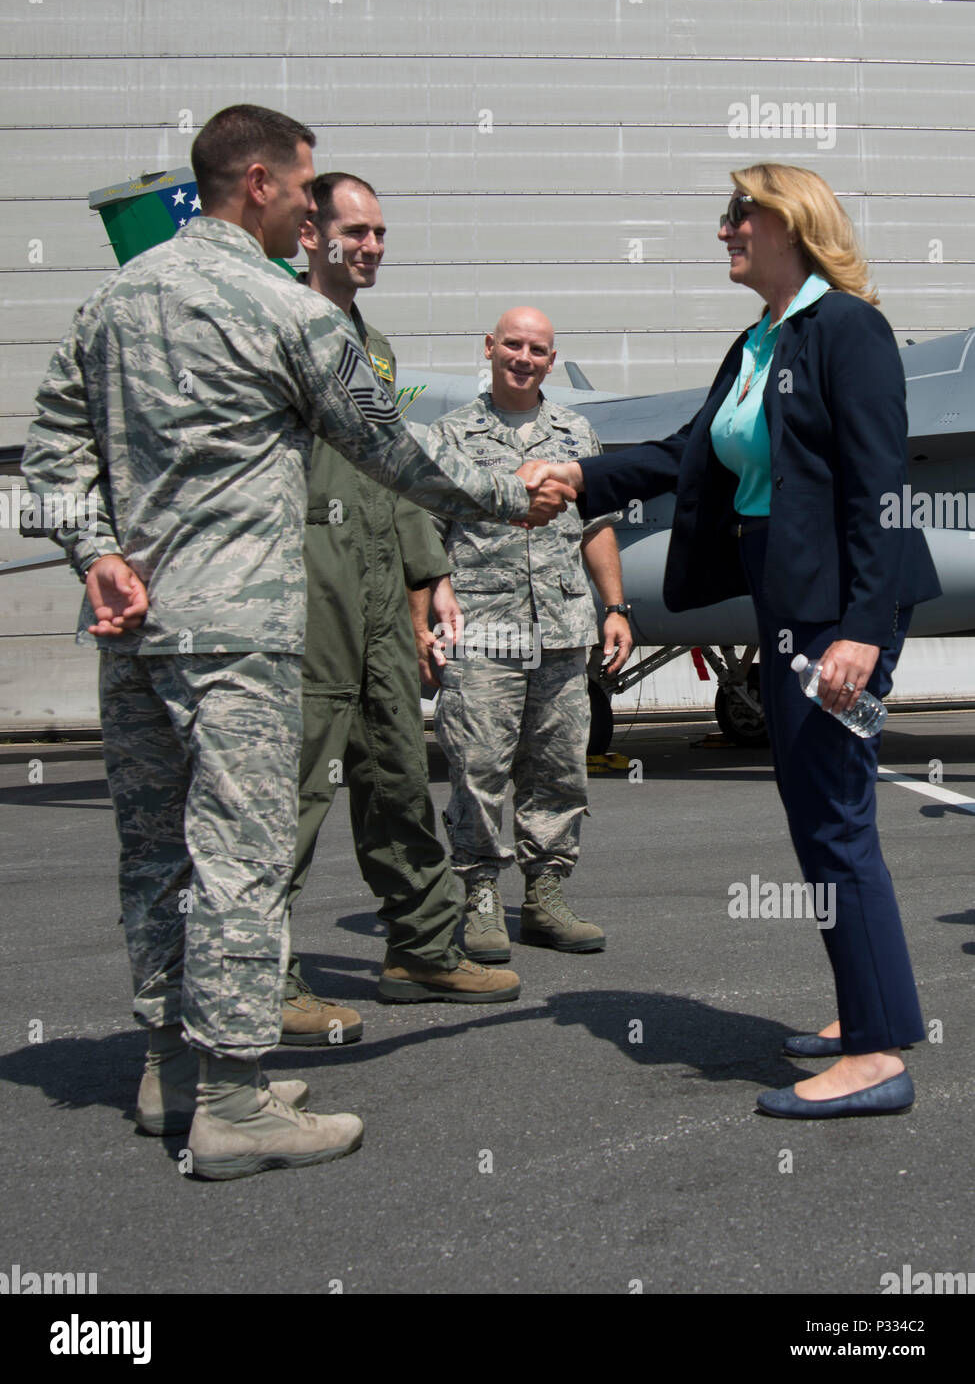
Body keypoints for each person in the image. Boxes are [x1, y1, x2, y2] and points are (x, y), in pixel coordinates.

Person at [20, 104, 573, 1179]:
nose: (315, 213)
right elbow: (393, 451)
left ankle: (169, 1071)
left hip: (135, 628)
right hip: (238, 635)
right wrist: (516, 493)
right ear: (262, 182)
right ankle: (233, 1101)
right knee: (237, 857)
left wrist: (96, 550)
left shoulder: (112, 301)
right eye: (307, 192)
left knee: (154, 854)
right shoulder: (285, 309)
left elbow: (51, 452)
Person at [522, 163, 941, 1119]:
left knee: (831, 819)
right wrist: (577, 474)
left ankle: (875, 1058)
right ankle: (866, 1010)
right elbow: (684, 455)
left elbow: (881, 487)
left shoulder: (847, 328)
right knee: (823, 818)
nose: (723, 231)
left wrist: (863, 636)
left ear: (790, 222)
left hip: (838, 619)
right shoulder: (762, 340)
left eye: (737, 214)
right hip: (793, 608)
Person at [283, 173, 520, 1039]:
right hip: (307, 583)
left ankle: (420, 946)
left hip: (381, 584)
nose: (372, 245)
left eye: (381, 231)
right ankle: (260, 978)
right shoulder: (275, 323)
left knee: (394, 770)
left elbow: (396, 462)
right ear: (309, 232)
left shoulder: (370, 344)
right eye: (357, 229)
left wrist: (431, 574)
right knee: (293, 785)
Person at [425, 308, 632, 962]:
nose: (523, 356)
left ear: (549, 358)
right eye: (511, 344)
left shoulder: (575, 431)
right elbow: (425, 535)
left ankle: (545, 896)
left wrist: (616, 607)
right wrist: (434, 608)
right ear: (489, 347)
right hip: (483, 632)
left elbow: (596, 526)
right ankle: (481, 896)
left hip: (562, 629)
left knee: (558, 770)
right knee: (477, 768)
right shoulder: (450, 435)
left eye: (536, 348)